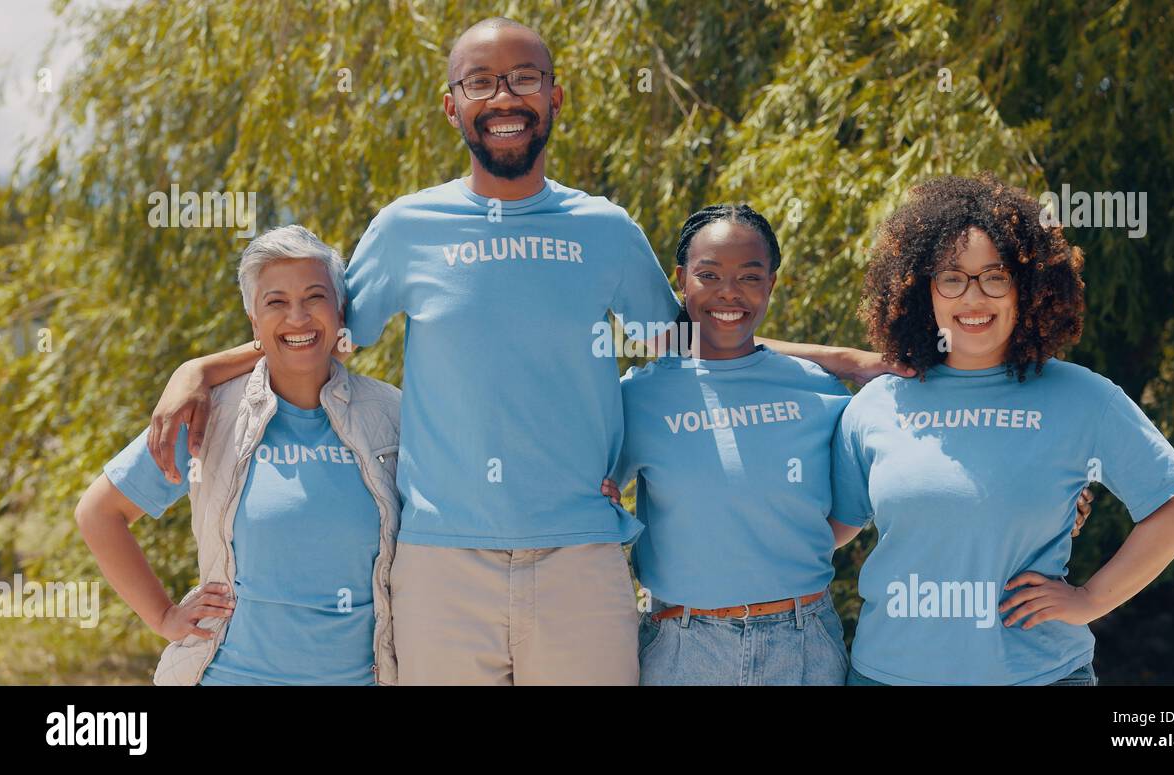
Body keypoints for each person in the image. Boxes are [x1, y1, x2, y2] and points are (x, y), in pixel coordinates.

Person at [145, 18, 906, 685]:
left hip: (582, 557)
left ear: (554, 97)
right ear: (453, 106)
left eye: (523, 79)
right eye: (480, 82)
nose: (503, 97)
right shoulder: (407, 228)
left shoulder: (606, 230)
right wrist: (199, 370)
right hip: (440, 562)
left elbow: (706, 336)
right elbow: (309, 338)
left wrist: (842, 361)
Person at [606, 204, 1093, 685]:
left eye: (750, 276)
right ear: (680, 278)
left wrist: (1045, 496)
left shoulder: (822, 393)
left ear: (772, 282)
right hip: (683, 647)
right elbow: (590, 494)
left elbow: (912, 473)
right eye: (708, 275)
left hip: (805, 644)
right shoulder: (639, 397)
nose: (728, 293)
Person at [830, 173, 1174, 685]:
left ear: (1026, 288)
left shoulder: (1083, 398)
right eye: (952, 278)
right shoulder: (877, 404)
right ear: (924, 291)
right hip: (888, 675)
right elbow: (835, 527)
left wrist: (1090, 600)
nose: (973, 297)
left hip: (1039, 676)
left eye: (995, 276)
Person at [75, 226, 403, 685]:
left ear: (340, 308)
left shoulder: (392, 416)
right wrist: (164, 615)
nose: (298, 317)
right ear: (253, 321)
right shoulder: (209, 414)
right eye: (275, 302)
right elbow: (99, 513)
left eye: (314, 297)